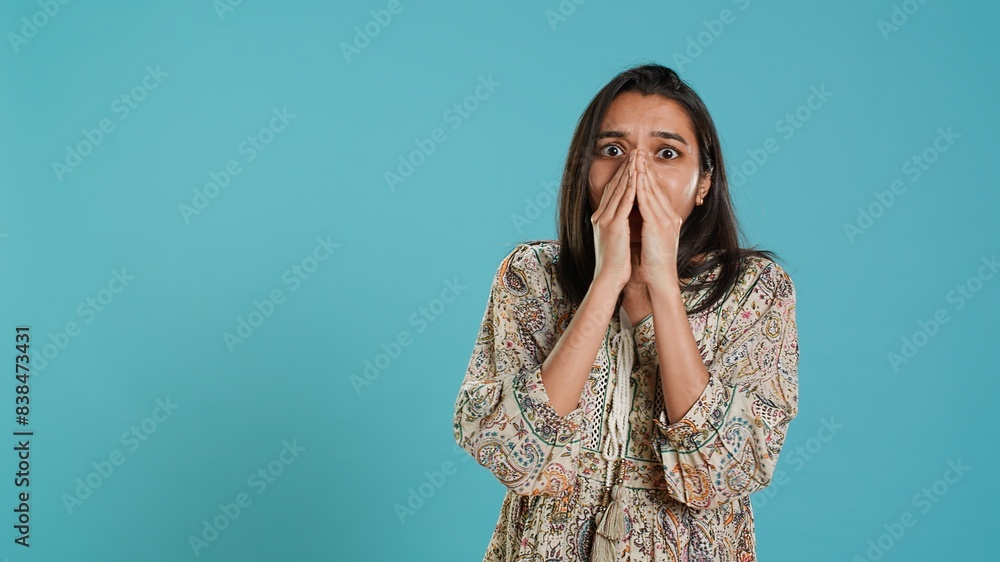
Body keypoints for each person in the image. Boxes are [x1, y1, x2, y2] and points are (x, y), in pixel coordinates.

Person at [452, 63, 799, 562]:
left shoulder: (755, 290)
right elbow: (506, 450)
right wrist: (607, 282)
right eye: (612, 151)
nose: (635, 174)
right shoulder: (531, 275)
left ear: (703, 182)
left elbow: (729, 467)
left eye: (666, 153)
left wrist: (657, 284)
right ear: (584, 172)